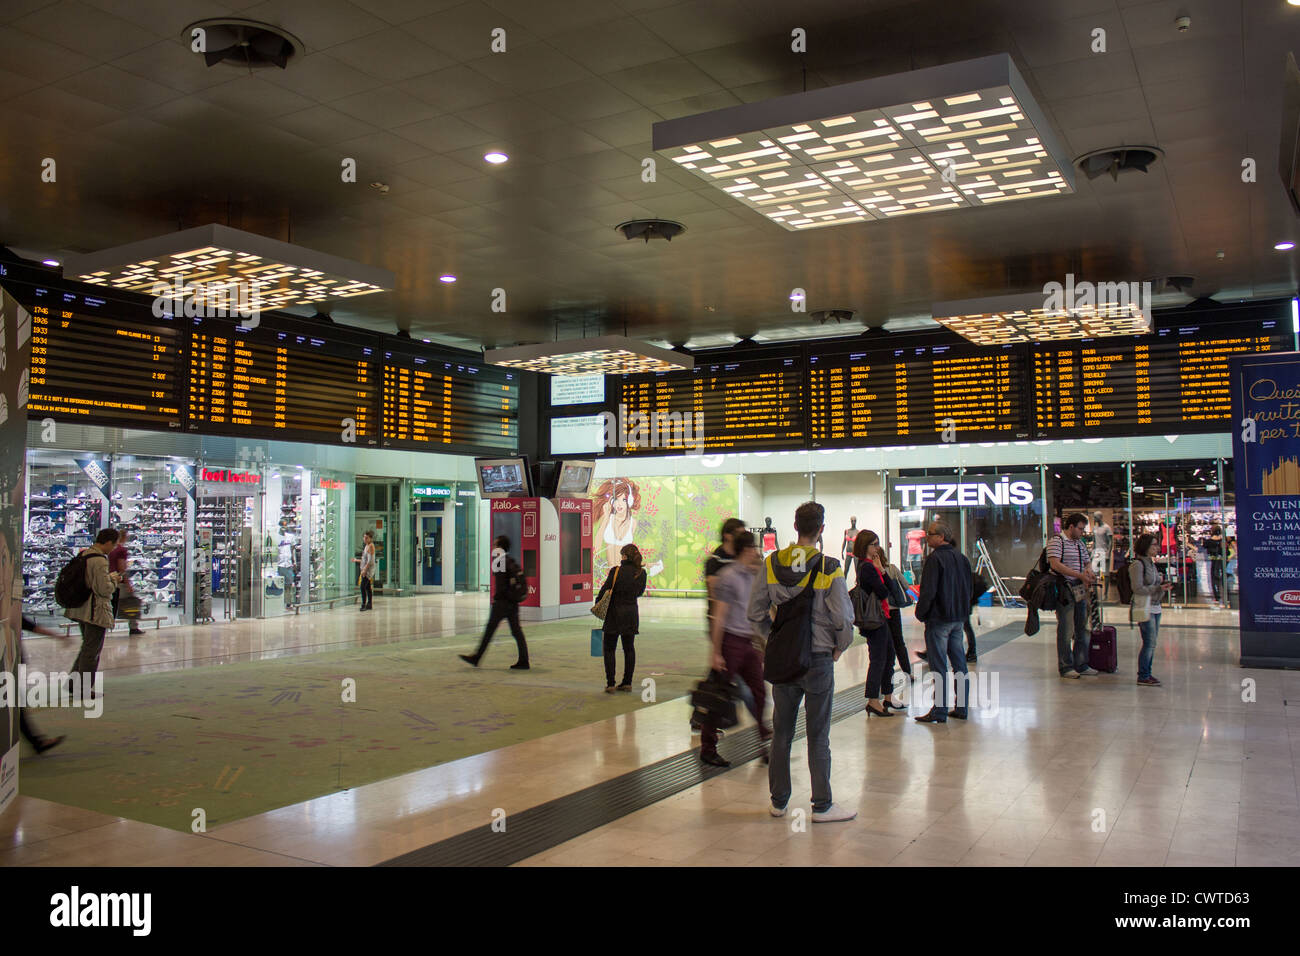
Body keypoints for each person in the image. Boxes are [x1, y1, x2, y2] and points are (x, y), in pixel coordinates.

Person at [749, 501, 856, 823]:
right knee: (818, 734)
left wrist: (774, 640)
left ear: (795, 527)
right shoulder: (828, 566)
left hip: (785, 662)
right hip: (819, 659)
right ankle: (822, 805)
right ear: (821, 529)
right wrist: (840, 647)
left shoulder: (771, 564)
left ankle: (778, 802)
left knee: (782, 732)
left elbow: (755, 613)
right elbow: (843, 617)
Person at [700, 531, 771, 766]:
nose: (757, 552)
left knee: (760, 692)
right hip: (731, 642)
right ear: (745, 550)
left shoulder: (755, 575)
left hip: (748, 643)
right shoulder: (728, 576)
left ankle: (764, 739)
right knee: (720, 697)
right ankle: (708, 747)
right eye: (754, 548)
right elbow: (719, 616)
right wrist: (716, 652)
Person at [914, 520, 974, 723]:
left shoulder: (935, 559)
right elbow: (969, 588)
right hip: (958, 618)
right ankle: (962, 707)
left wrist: (921, 613)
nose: (927, 537)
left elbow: (928, 591)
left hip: (939, 618)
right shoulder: (961, 558)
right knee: (959, 663)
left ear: (941, 537)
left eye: (930, 534)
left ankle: (939, 710)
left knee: (939, 666)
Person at [65, 527, 121, 695]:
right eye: (114, 545)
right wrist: (114, 581)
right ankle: (82, 688)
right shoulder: (99, 560)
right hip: (94, 611)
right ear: (109, 542)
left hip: (81, 608)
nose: (114, 549)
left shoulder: (84, 554)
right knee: (92, 650)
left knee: (87, 647)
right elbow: (104, 589)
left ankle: (73, 683)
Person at [461, 535, 529, 670]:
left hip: (502, 603)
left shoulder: (500, 562)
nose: (493, 547)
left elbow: (501, 586)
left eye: (495, 545)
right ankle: (524, 660)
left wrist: (499, 598)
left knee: (489, 630)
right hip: (512, 603)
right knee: (517, 632)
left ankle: (477, 657)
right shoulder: (510, 560)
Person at [1048, 513, 1099, 679]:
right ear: (1071, 526)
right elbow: (1055, 564)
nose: (1082, 532)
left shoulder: (1080, 544)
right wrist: (1079, 575)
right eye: (1080, 528)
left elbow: (1087, 561)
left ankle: (1081, 663)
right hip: (1064, 589)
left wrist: (1089, 573)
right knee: (1066, 629)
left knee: (1081, 627)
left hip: (1079, 589)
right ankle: (1066, 665)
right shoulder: (1057, 541)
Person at [852, 529, 893, 718]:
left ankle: (886, 696)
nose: (878, 547)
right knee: (878, 659)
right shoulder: (867, 567)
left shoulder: (867, 565)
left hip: (879, 617)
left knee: (887, 655)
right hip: (875, 619)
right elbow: (885, 591)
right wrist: (882, 571)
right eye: (874, 544)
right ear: (865, 546)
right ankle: (872, 700)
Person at [594, 543, 647, 693]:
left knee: (609, 648)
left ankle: (611, 683)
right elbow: (639, 593)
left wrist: (598, 604)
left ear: (624, 556)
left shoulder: (616, 571)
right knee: (629, 648)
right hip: (631, 614)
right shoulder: (641, 573)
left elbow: (605, 589)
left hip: (614, 614)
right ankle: (627, 682)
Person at [20, 615, 70, 753]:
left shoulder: (9, 607)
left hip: (11, 661)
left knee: (15, 707)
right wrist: (57, 636)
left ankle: (37, 742)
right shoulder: (8, 606)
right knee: (15, 707)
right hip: (7, 663)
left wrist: (57, 636)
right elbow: (31, 626)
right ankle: (37, 742)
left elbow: (29, 625)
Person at [1130, 533, 1172, 687]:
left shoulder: (1151, 564)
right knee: (1149, 642)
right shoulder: (1138, 565)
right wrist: (1157, 588)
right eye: (1154, 544)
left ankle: (1147, 672)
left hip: (1155, 606)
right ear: (1146, 546)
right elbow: (1137, 588)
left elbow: (1152, 586)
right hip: (1144, 606)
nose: (1157, 547)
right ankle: (1143, 674)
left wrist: (1161, 589)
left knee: (1152, 642)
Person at [880, 554, 912, 710]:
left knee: (886, 647)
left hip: (881, 611)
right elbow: (905, 585)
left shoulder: (873, 570)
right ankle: (907, 671)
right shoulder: (892, 568)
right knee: (899, 642)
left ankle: (886, 679)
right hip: (894, 611)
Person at [109, 529, 145, 636]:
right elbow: (122, 568)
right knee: (132, 602)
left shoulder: (111, 549)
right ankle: (133, 627)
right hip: (120, 581)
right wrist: (128, 583)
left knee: (112, 602)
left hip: (111, 579)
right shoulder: (121, 550)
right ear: (124, 537)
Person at [1091, 512, 1113, 597]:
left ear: (1100, 517)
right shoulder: (1095, 528)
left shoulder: (1106, 528)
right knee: (1094, 573)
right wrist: (1092, 553)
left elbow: (1111, 542)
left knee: (1106, 574)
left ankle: (1106, 594)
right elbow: (1094, 541)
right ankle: (1095, 594)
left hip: (1104, 552)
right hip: (1097, 552)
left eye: (1096, 517)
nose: (1095, 519)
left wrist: (1108, 553)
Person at [353, 530, 375, 611]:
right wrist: (356, 560)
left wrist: (365, 570)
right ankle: (369, 604)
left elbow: (370, 561)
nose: (365, 539)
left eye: (367, 538)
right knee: (368, 587)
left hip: (367, 571)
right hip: (365, 569)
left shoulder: (370, 546)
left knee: (363, 587)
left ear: (370, 538)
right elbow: (364, 560)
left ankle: (364, 604)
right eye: (364, 537)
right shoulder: (366, 546)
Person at [1204, 522, 1224, 604]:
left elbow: (1203, 547)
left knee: (1214, 578)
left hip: (1213, 560)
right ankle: (1224, 596)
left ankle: (1217, 596)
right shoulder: (1222, 541)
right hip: (1221, 560)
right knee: (1221, 578)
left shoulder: (1208, 541)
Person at [841, 516, 859, 581]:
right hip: (848, 553)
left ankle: (858, 587)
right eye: (852, 521)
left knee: (857, 571)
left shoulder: (858, 532)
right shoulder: (846, 531)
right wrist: (842, 551)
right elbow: (844, 542)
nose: (853, 522)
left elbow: (859, 544)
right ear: (850, 521)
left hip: (855, 554)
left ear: (856, 521)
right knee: (845, 570)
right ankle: (842, 586)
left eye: (854, 521)